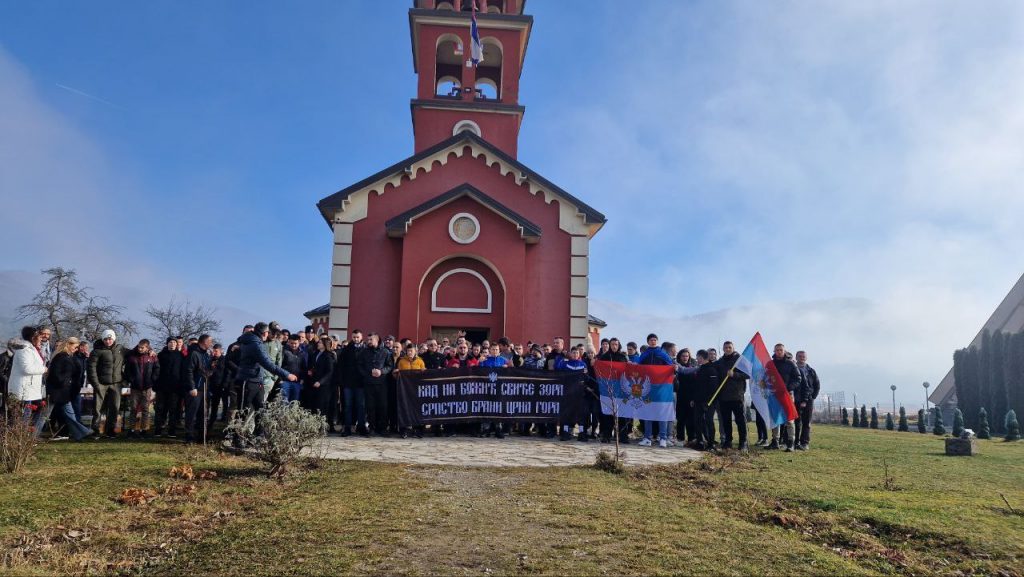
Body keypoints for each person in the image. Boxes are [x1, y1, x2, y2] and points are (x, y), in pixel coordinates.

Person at [233, 323, 298, 439]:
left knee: (260, 409)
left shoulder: (253, 341)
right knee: (244, 410)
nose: (268, 335)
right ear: (263, 333)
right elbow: (267, 363)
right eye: (268, 333)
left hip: (258, 380)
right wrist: (287, 375)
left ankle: (258, 436)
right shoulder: (255, 344)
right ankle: (238, 439)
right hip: (247, 380)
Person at [46, 337, 93, 441]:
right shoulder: (61, 357)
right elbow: (56, 375)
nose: (76, 349)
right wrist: (67, 381)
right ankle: (83, 432)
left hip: (63, 392)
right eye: (75, 347)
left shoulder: (66, 357)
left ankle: (82, 433)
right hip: (58, 391)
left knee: (70, 414)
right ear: (69, 345)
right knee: (44, 415)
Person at [8, 326, 48, 437]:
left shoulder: (31, 349)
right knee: (22, 417)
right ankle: (18, 438)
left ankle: (23, 437)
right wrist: (44, 369)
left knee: (27, 415)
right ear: (33, 337)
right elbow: (27, 369)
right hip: (23, 389)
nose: (41, 339)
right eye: (39, 336)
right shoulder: (24, 350)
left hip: (30, 388)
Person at [88, 329, 127, 438]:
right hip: (101, 383)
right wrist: (95, 383)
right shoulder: (96, 351)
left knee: (115, 407)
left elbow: (136, 353)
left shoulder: (121, 349)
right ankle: (95, 430)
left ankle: (111, 430)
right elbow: (91, 368)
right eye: (105, 339)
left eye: (110, 339)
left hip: (116, 384)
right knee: (98, 408)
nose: (108, 341)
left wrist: (150, 350)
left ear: (113, 339)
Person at [636, 334, 674, 448]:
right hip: (647, 389)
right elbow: (637, 366)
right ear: (648, 342)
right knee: (648, 413)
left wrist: (674, 367)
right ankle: (647, 438)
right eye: (651, 340)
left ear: (657, 341)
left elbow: (670, 366)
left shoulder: (662, 354)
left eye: (655, 340)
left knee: (662, 414)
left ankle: (663, 438)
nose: (653, 342)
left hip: (661, 389)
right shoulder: (644, 354)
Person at [714, 341, 750, 451]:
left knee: (740, 420)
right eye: (726, 347)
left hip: (737, 395)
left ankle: (743, 442)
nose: (727, 349)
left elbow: (748, 374)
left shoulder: (740, 360)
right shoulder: (720, 362)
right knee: (726, 421)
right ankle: (727, 442)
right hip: (723, 396)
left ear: (733, 348)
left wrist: (735, 374)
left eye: (730, 347)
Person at [768, 343, 802, 452]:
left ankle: (790, 443)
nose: (779, 352)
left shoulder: (790, 364)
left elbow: (798, 378)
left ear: (784, 351)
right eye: (777, 350)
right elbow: (766, 377)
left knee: (789, 419)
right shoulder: (770, 364)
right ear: (774, 351)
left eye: (781, 350)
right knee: (775, 418)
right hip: (774, 395)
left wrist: (788, 388)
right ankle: (775, 441)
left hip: (787, 395)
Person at [359, 333, 394, 436]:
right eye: (368, 339)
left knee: (382, 406)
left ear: (377, 340)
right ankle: (371, 428)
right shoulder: (364, 352)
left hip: (382, 384)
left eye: (371, 339)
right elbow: (360, 365)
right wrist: (367, 373)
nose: (368, 341)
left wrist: (381, 371)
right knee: (370, 407)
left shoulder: (385, 352)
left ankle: (382, 428)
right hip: (368, 383)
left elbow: (389, 366)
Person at [597, 338, 629, 443]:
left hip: (621, 390)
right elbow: (600, 369)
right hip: (608, 390)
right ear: (609, 345)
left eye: (616, 344)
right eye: (612, 344)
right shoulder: (605, 357)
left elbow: (627, 371)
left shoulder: (623, 357)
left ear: (619, 345)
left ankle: (621, 436)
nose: (614, 346)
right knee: (607, 414)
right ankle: (606, 435)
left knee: (622, 414)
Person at [182, 334, 213, 443]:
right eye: (210, 341)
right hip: (195, 389)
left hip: (204, 388)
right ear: (204, 342)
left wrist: (212, 367)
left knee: (203, 414)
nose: (211, 343)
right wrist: (192, 387)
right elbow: (188, 371)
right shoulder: (193, 353)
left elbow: (206, 370)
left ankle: (201, 436)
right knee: (192, 414)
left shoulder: (206, 354)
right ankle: (189, 437)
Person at [125, 339, 159, 438]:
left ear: (147, 347)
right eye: (139, 347)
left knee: (145, 409)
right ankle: (131, 430)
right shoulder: (132, 356)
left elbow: (157, 368)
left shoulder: (152, 357)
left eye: (142, 347)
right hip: (135, 387)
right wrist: (131, 379)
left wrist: (152, 379)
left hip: (147, 387)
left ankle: (144, 430)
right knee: (133, 409)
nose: (140, 349)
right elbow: (127, 370)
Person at [338, 330, 367, 437]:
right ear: (352, 337)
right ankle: (347, 428)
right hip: (348, 383)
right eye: (354, 337)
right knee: (348, 406)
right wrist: (342, 381)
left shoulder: (365, 350)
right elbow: (341, 366)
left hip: (361, 383)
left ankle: (362, 427)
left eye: (357, 337)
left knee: (361, 406)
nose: (356, 339)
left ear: (361, 337)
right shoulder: (346, 350)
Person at [554, 346, 587, 441]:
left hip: (579, 394)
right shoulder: (565, 363)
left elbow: (586, 378)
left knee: (580, 415)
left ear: (579, 354)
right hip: (568, 393)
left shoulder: (583, 364)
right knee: (566, 415)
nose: (575, 354)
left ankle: (581, 433)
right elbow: (557, 368)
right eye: (573, 353)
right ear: (570, 354)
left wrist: (585, 377)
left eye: (577, 353)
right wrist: (561, 356)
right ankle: (565, 433)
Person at [155, 338, 185, 437]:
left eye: (174, 342)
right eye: (170, 342)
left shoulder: (180, 355)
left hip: (175, 387)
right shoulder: (161, 355)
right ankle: (158, 429)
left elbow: (182, 371)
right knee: (160, 409)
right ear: (167, 343)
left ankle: (171, 430)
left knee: (173, 409)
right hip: (161, 386)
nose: (172, 344)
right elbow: (156, 370)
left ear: (177, 344)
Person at [478, 343, 509, 439]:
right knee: (486, 408)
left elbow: (511, 373)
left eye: (496, 349)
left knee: (498, 408)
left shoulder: (504, 360)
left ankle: (498, 429)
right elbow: (478, 372)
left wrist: (507, 368)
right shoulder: (485, 360)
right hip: (486, 389)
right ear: (490, 350)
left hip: (499, 389)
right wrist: (480, 362)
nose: (495, 351)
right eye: (493, 349)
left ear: (499, 350)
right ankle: (485, 429)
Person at [794, 350, 821, 450]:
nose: (802, 358)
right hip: (795, 399)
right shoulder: (793, 368)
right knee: (796, 422)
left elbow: (817, 385)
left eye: (803, 356)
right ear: (796, 357)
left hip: (808, 400)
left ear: (806, 358)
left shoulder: (811, 371)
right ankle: (794, 441)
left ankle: (804, 442)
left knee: (806, 422)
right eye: (800, 356)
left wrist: (812, 397)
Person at [695, 349, 719, 450]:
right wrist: (694, 399)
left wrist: (709, 401)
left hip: (709, 401)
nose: (696, 360)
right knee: (698, 421)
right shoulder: (700, 369)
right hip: (698, 401)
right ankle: (700, 441)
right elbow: (696, 386)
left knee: (709, 421)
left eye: (697, 358)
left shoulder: (711, 369)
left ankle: (711, 443)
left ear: (701, 357)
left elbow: (714, 387)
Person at [675, 349, 700, 447]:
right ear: (680, 357)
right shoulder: (677, 367)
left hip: (690, 397)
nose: (685, 358)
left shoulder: (693, 367)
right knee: (680, 419)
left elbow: (695, 384)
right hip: (680, 396)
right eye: (683, 356)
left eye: (687, 356)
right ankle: (680, 438)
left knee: (691, 419)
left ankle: (691, 438)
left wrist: (694, 398)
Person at [310, 338, 337, 419]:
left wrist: (320, 382)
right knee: (315, 405)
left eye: (320, 343)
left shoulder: (328, 355)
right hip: (314, 382)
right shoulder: (316, 353)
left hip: (324, 385)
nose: (318, 344)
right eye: (318, 342)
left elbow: (330, 372)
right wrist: (311, 370)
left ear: (325, 345)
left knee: (322, 406)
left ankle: (322, 426)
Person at [207, 344, 230, 427]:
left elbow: (228, 373)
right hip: (214, 385)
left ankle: (224, 418)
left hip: (223, 385)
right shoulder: (211, 360)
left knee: (225, 402)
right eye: (214, 351)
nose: (214, 353)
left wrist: (225, 384)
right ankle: (212, 419)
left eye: (216, 351)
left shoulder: (224, 360)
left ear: (220, 351)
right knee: (214, 403)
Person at [280, 335, 306, 404]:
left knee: (294, 403)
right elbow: (279, 366)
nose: (293, 345)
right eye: (291, 343)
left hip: (297, 382)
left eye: (295, 343)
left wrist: (302, 380)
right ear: (288, 342)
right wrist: (280, 379)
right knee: (283, 403)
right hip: (285, 381)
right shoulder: (284, 352)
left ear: (299, 342)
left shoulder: (303, 354)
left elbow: (304, 368)